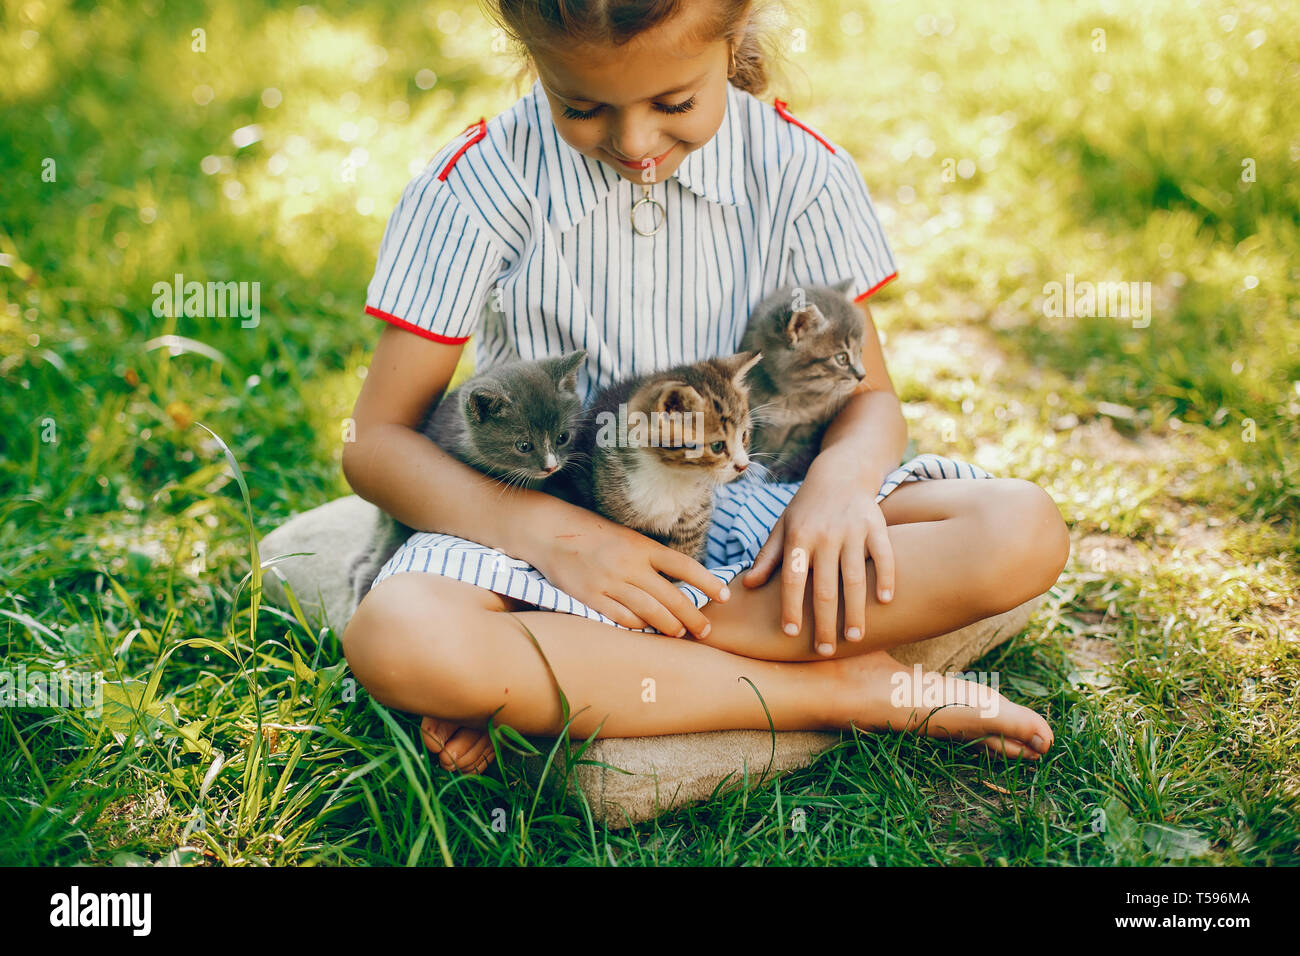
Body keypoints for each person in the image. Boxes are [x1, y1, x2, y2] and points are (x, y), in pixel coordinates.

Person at [341, 0, 1069, 777]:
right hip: (554, 531)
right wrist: (557, 542)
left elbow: (868, 397)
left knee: (1019, 530)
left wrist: (840, 487)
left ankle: (579, 669)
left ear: (732, 41)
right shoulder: (475, 188)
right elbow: (375, 442)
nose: (635, 143)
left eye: (674, 104)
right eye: (581, 108)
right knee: (400, 638)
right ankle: (840, 689)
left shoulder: (799, 173)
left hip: (756, 513)